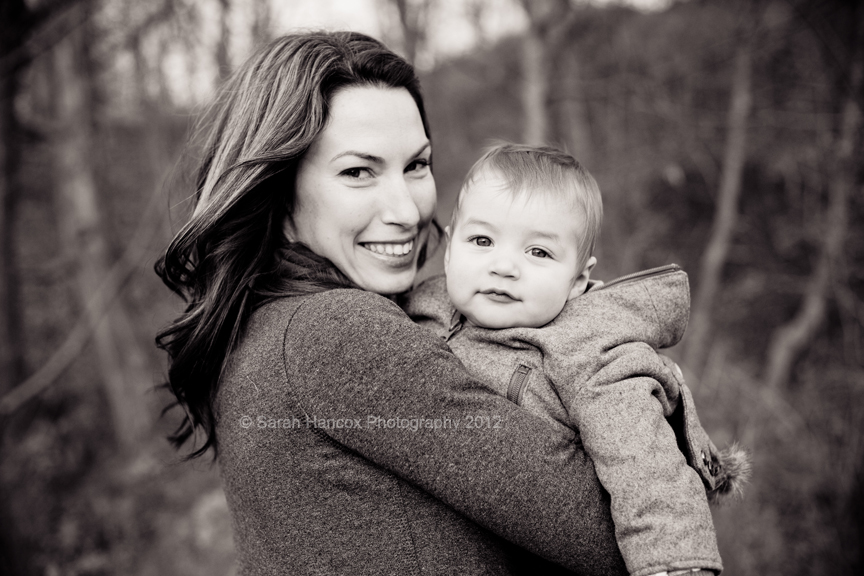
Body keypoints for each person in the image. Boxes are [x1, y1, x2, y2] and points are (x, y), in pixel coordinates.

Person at [155, 31, 641, 575]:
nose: (407, 211)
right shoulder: (335, 333)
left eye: (416, 166)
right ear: (281, 193)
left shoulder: (261, 325)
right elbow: (612, 528)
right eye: (358, 172)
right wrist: (623, 392)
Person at [405, 144, 751, 576]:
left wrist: (674, 565)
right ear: (452, 247)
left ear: (578, 279)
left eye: (539, 253)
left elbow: (644, 462)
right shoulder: (421, 307)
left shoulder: (592, 350)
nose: (504, 265)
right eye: (482, 240)